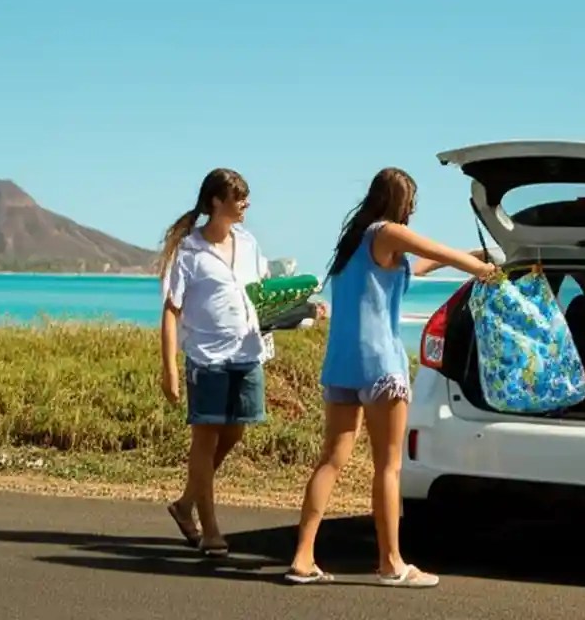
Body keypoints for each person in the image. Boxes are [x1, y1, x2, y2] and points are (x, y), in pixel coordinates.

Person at [285, 167, 497, 588]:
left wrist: (478, 252)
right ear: (400, 203)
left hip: (343, 366)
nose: (411, 215)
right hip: (381, 366)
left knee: (332, 460)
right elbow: (428, 247)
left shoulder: (354, 245)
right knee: (388, 466)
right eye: (410, 206)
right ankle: (391, 563)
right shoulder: (386, 231)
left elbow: (419, 265)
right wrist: (478, 269)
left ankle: (303, 558)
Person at [158, 167, 323, 556]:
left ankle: (184, 506)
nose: (246, 203)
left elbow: (265, 293)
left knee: (235, 432)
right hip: (207, 358)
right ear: (217, 201)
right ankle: (209, 528)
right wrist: (169, 368)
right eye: (239, 197)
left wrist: (305, 308)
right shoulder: (189, 251)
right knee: (206, 437)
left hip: (248, 352)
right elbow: (171, 311)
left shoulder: (248, 243)